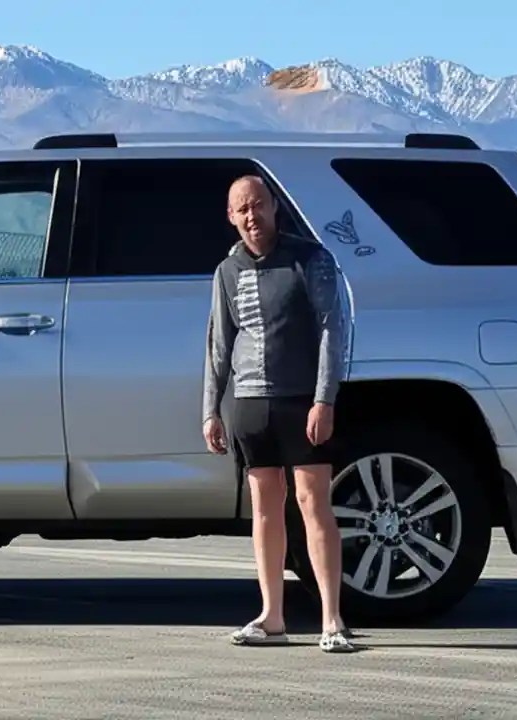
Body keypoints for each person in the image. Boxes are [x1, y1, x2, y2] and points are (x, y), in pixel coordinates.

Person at [201, 174, 356, 653]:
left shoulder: (311, 259)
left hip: (301, 401)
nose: (252, 216)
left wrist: (324, 399)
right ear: (231, 217)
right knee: (265, 510)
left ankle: (332, 619)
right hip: (249, 405)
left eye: (259, 205)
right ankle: (272, 617)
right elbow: (218, 344)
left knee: (313, 504)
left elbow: (334, 329)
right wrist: (211, 409)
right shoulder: (226, 271)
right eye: (242, 209)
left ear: (274, 206)